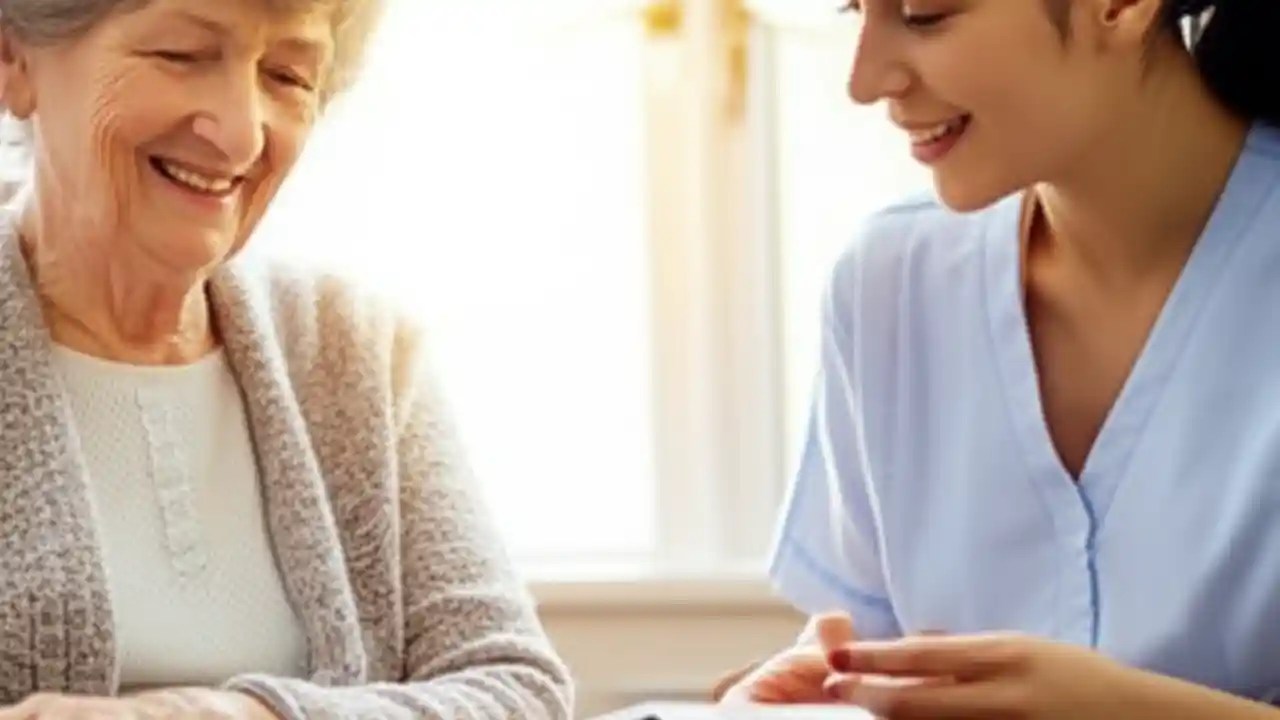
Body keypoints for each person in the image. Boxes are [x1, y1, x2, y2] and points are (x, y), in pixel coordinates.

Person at [0, 0, 573, 718]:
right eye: (180, 55)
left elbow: (516, 688)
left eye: (288, 76)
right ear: (14, 59)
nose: (240, 134)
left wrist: (234, 717)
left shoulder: (354, 352)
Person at [719, 0, 1280, 717]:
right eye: (854, 8)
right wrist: (822, 693)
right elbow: (872, 645)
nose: (864, 81)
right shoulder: (888, 285)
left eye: (924, 15)